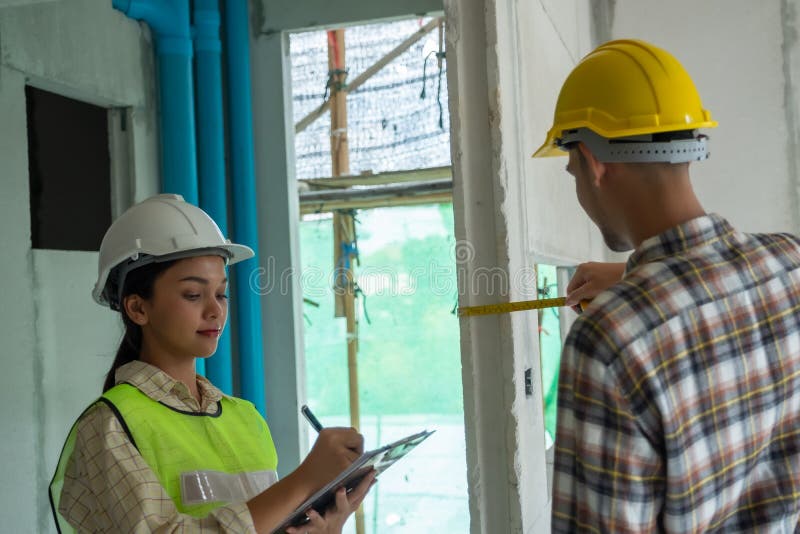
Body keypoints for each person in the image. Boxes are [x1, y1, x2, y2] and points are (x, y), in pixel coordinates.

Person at [532, 39, 800, 532]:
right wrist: (641, 280)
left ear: (593, 163)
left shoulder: (609, 342)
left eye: (572, 170)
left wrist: (639, 296)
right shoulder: (790, 262)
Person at [50, 194, 374, 533]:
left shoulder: (245, 419)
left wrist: (323, 525)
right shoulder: (109, 427)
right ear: (138, 309)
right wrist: (305, 479)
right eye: (193, 294)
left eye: (221, 294)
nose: (215, 310)